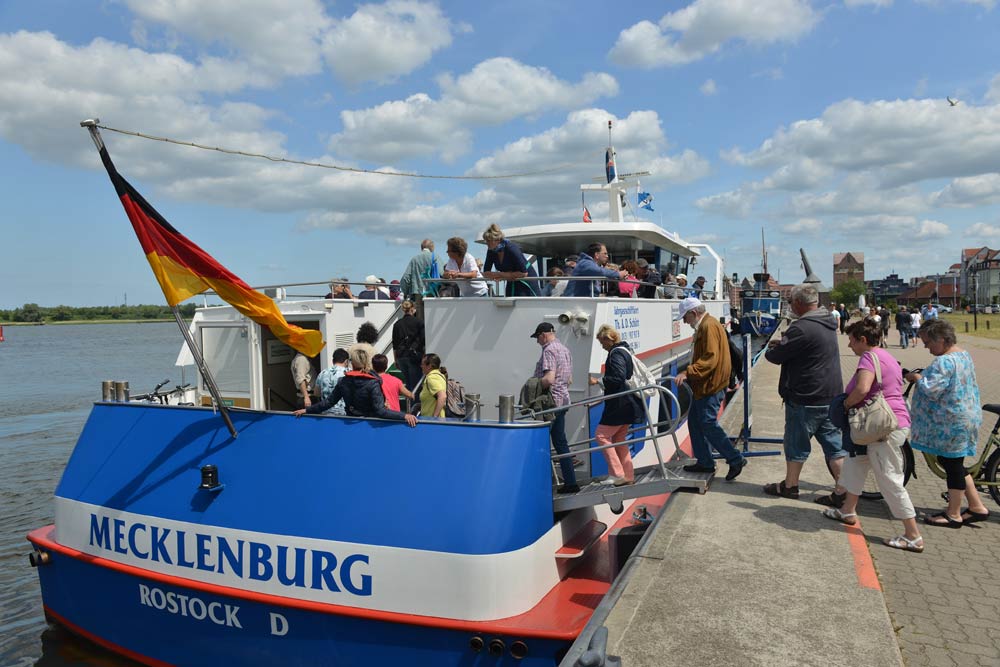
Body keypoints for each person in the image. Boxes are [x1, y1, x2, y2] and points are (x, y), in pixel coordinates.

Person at [822, 319, 924, 552]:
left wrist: (846, 405)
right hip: (885, 426)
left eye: (851, 340)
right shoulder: (887, 356)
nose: (849, 345)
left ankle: (913, 535)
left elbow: (862, 389)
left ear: (863, 340)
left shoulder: (868, 357)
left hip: (882, 429)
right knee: (855, 464)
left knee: (889, 479)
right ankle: (847, 510)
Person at [763, 284, 847, 500]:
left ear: (799, 303)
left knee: (796, 445)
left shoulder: (801, 327)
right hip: (830, 396)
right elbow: (808, 349)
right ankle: (843, 491)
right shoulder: (827, 322)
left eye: (790, 302)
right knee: (834, 447)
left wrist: (776, 347)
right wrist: (785, 344)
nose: (790, 306)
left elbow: (774, 357)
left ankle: (790, 486)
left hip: (805, 396)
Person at [906, 319, 989, 527]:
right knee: (955, 464)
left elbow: (930, 389)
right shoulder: (963, 355)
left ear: (941, 340)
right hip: (966, 416)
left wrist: (916, 377)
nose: (926, 347)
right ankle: (977, 507)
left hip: (951, 422)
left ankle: (953, 514)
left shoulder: (943, 361)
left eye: (928, 343)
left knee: (952, 467)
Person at [675, 298, 748, 480]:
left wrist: (688, 372)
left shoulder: (707, 327)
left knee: (707, 423)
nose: (685, 321)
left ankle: (734, 458)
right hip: (708, 385)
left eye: (685, 317)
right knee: (695, 422)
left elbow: (710, 358)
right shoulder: (710, 324)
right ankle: (705, 462)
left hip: (710, 386)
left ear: (693, 313)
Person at [294, 344, 417, 427]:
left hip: (349, 423)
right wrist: (404, 415)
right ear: (365, 363)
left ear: (352, 364)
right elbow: (381, 411)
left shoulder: (343, 381)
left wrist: (307, 410)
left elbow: (328, 402)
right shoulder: (373, 382)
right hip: (370, 424)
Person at [530, 322, 578, 493]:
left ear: (544, 334)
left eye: (537, 337)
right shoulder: (565, 349)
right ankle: (571, 483)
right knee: (560, 442)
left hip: (550, 404)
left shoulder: (549, 350)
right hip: (563, 401)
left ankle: (539, 485)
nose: (537, 341)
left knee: (539, 443)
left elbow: (549, 379)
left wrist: (534, 385)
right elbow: (569, 379)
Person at [589, 325, 640, 485]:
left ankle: (617, 474)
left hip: (619, 403)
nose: (602, 346)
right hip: (628, 403)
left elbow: (618, 377)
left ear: (608, 339)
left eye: (602, 342)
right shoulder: (625, 351)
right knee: (619, 438)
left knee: (601, 435)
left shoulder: (616, 354)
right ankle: (628, 475)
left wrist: (599, 381)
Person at [482, 224, 539, 296]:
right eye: (486, 240)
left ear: (498, 240)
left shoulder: (511, 248)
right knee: (509, 303)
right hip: (511, 280)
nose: (487, 243)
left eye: (489, 241)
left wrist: (499, 275)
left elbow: (523, 273)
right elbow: (487, 272)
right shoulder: (491, 250)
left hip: (526, 280)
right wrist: (505, 276)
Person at [392, 300, 424, 391]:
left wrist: (395, 360)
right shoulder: (419, 322)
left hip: (401, 356)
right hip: (414, 356)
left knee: (409, 384)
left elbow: (395, 344)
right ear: (413, 309)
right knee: (416, 386)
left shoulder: (397, 324)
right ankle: (415, 404)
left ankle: (409, 403)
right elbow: (423, 340)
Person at [315, 348, 350, 415]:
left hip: (326, 412)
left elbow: (317, 393)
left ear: (333, 360)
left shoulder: (323, 373)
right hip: (344, 413)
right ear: (346, 361)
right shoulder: (349, 372)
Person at [419, 353, 448, 418]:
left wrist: (434, 418)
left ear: (429, 366)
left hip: (431, 422)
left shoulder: (432, 377)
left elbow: (442, 396)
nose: (421, 366)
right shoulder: (439, 375)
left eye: (422, 364)